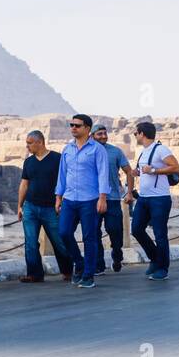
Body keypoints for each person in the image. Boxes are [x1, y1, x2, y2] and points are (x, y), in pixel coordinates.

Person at [55, 114, 110, 288]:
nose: (73, 128)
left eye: (77, 125)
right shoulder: (67, 149)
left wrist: (102, 197)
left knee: (90, 237)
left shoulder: (97, 149)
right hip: (70, 199)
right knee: (63, 233)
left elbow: (103, 174)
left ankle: (88, 275)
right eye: (71, 125)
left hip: (90, 200)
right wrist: (58, 196)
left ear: (87, 128)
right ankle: (79, 262)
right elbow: (62, 174)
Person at [17, 130, 72, 283]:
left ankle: (68, 271)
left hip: (51, 208)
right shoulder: (29, 162)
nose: (27, 146)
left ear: (40, 142)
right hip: (30, 207)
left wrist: (61, 201)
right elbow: (24, 184)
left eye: (29, 143)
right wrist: (20, 206)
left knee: (59, 241)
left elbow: (65, 182)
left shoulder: (57, 159)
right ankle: (34, 274)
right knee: (30, 242)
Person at [128, 121, 179, 281]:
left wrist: (154, 170)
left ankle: (163, 268)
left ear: (142, 134)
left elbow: (175, 167)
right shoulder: (143, 152)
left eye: (135, 133)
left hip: (159, 199)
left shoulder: (161, 149)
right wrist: (137, 172)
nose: (135, 136)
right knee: (136, 229)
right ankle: (155, 259)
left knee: (160, 234)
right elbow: (144, 172)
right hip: (144, 198)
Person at [91, 124, 134, 274]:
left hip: (113, 198)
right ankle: (99, 265)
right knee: (93, 232)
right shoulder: (87, 151)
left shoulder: (115, 151)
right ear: (92, 136)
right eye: (99, 134)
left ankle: (117, 255)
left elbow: (128, 171)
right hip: (92, 199)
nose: (103, 136)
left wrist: (129, 192)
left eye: (105, 133)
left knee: (114, 230)